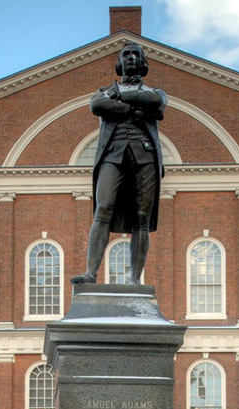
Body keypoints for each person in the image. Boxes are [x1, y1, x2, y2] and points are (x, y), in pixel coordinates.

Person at [70, 42, 167, 286]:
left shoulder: (153, 91)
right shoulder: (103, 91)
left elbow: (156, 101)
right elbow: (96, 105)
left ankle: (134, 279)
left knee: (142, 217)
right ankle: (91, 273)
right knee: (102, 209)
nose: (131, 57)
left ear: (143, 62)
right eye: (126, 54)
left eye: (136, 54)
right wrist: (135, 107)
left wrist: (119, 100)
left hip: (145, 156)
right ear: (119, 62)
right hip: (112, 155)